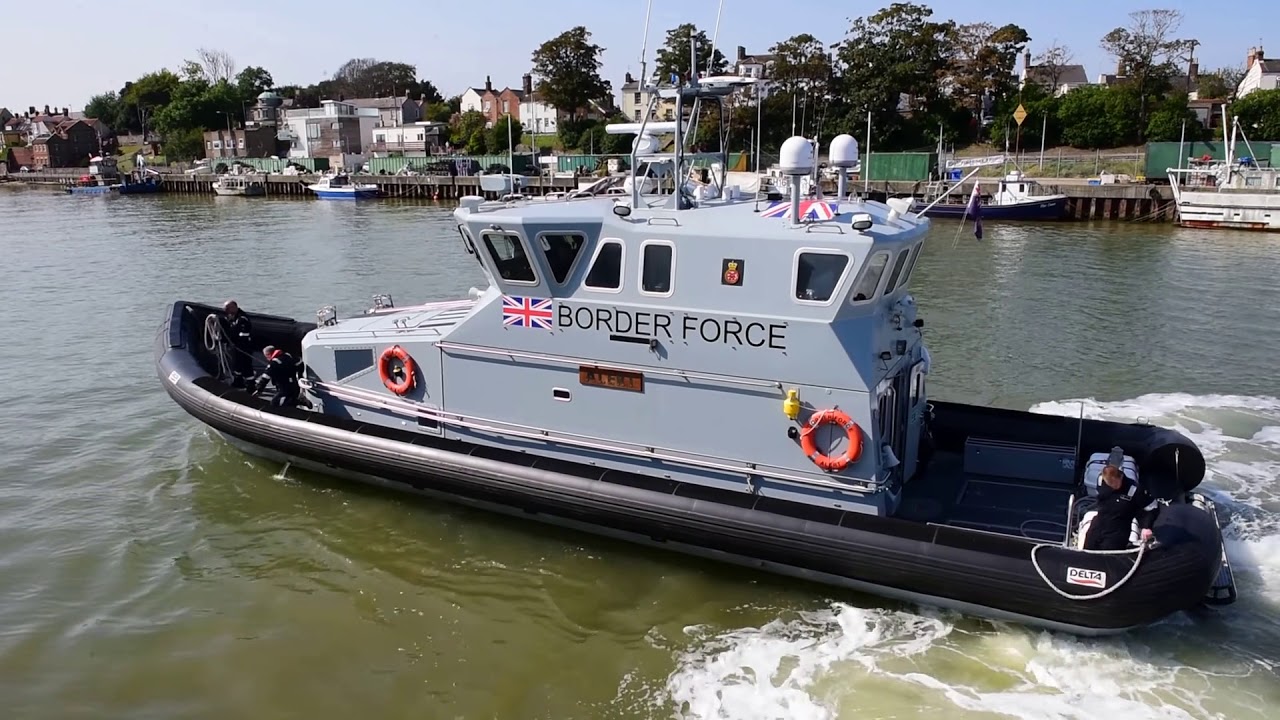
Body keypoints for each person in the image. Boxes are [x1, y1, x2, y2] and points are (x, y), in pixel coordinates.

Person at [1083, 447, 1159, 551]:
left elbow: (1153, 507)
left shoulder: (1134, 490)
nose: (1112, 486)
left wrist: (1147, 527)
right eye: (1109, 484)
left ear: (1121, 477)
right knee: (1088, 547)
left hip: (1118, 530)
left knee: (1107, 553)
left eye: (1114, 483)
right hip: (1099, 524)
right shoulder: (1101, 480)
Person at [222, 300, 253, 387]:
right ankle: (238, 381)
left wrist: (234, 341)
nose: (226, 311)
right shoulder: (233, 317)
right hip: (237, 346)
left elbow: (243, 334)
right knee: (237, 365)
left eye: (227, 308)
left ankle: (251, 385)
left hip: (243, 347)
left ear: (233, 307)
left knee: (246, 365)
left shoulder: (242, 319)